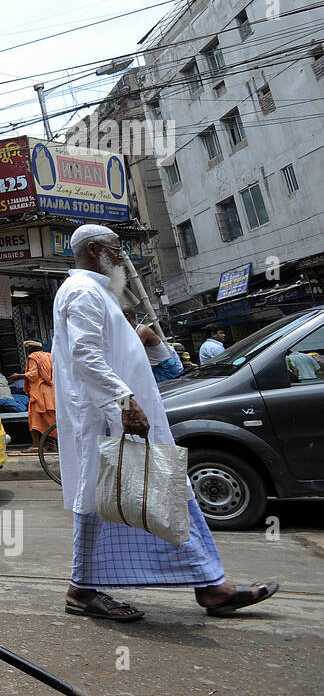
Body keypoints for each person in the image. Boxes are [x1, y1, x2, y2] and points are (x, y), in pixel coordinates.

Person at [53, 223, 277, 623]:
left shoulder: (96, 294)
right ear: (93, 249)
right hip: (109, 420)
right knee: (109, 501)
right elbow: (86, 355)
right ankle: (84, 592)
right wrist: (125, 403)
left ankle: (210, 586)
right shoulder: (83, 292)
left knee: (167, 495)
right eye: (116, 248)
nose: (122, 255)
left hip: (123, 418)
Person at [23, 340, 56, 439]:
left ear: (32, 347)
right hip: (51, 392)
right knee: (52, 419)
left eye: (28, 348)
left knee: (34, 419)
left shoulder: (33, 357)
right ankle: (54, 444)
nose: (27, 350)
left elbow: (33, 374)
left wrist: (17, 376)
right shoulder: (50, 356)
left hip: (39, 392)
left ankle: (36, 444)